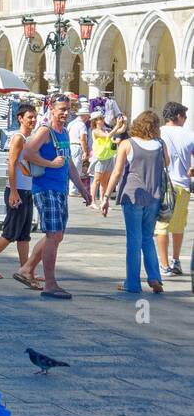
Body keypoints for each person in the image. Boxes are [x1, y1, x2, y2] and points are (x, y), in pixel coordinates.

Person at [24, 94, 93, 299]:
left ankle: (27, 269)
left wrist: (82, 189)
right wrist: (50, 163)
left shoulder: (62, 132)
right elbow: (27, 153)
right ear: (51, 109)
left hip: (60, 189)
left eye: (68, 109)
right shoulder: (45, 131)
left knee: (56, 235)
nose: (65, 113)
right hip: (46, 188)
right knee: (54, 235)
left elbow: (69, 163)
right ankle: (50, 284)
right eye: (61, 109)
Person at [102, 109, 168, 294]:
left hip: (132, 196)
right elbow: (167, 163)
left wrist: (106, 196)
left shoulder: (127, 144)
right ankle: (155, 277)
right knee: (147, 238)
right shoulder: (159, 144)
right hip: (153, 197)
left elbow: (116, 172)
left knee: (133, 240)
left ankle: (133, 283)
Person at [0, 102, 37, 282]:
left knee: (24, 234)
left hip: (26, 190)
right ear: (20, 118)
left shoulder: (30, 138)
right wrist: (13, 191)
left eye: (34, 117)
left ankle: (26, 269)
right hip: (17, 190)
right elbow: (11, 164)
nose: (33, 120)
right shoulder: (18, 138)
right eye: (29, 117)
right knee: (10, 232)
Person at [156, 101, 192, 276]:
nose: (185, 120)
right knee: (178, 225)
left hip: (162, 184)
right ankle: (175, 260)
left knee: (162, 224)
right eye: (184, 116)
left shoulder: (158, 133)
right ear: (178, 116)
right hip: (182, 184)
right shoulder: (189, 135)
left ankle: (164, 265)